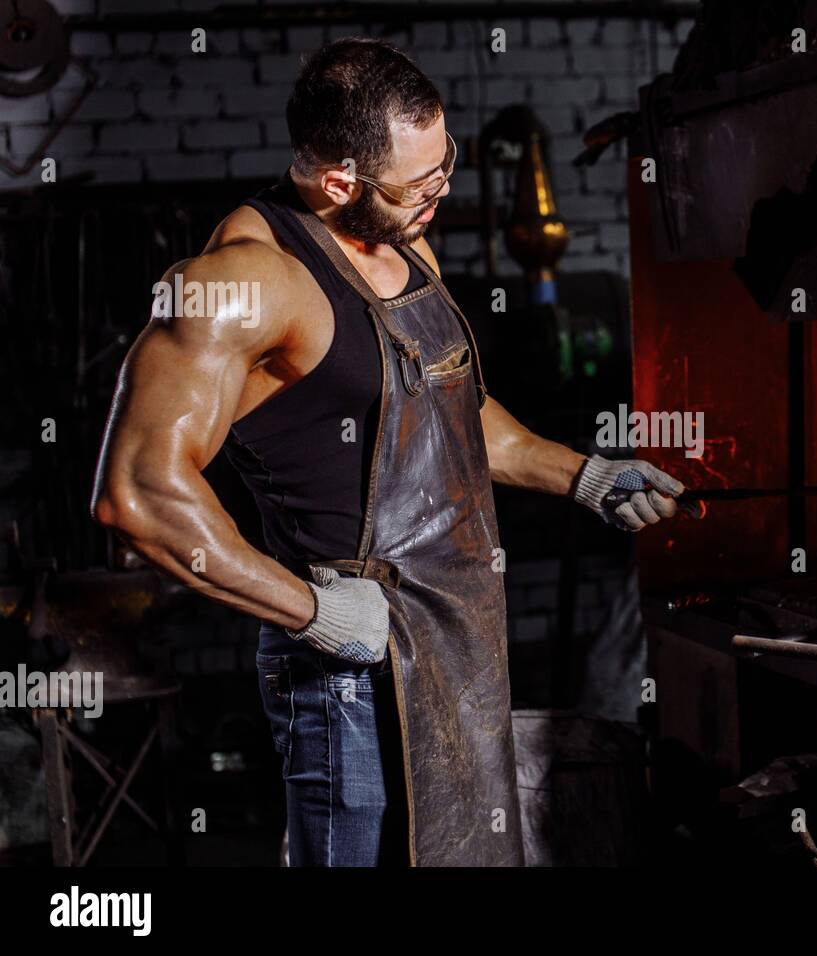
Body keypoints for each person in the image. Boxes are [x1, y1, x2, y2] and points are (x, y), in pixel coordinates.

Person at [90, 38, 687, 866]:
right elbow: (138, 491)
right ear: (341, 182)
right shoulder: (241, 285)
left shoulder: (402, 241)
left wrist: (585, 476)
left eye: (446, 166)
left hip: (452, 642)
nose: (441, 193)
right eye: (421, 183)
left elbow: (452, 414)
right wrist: (315, 612)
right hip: (349, 672)